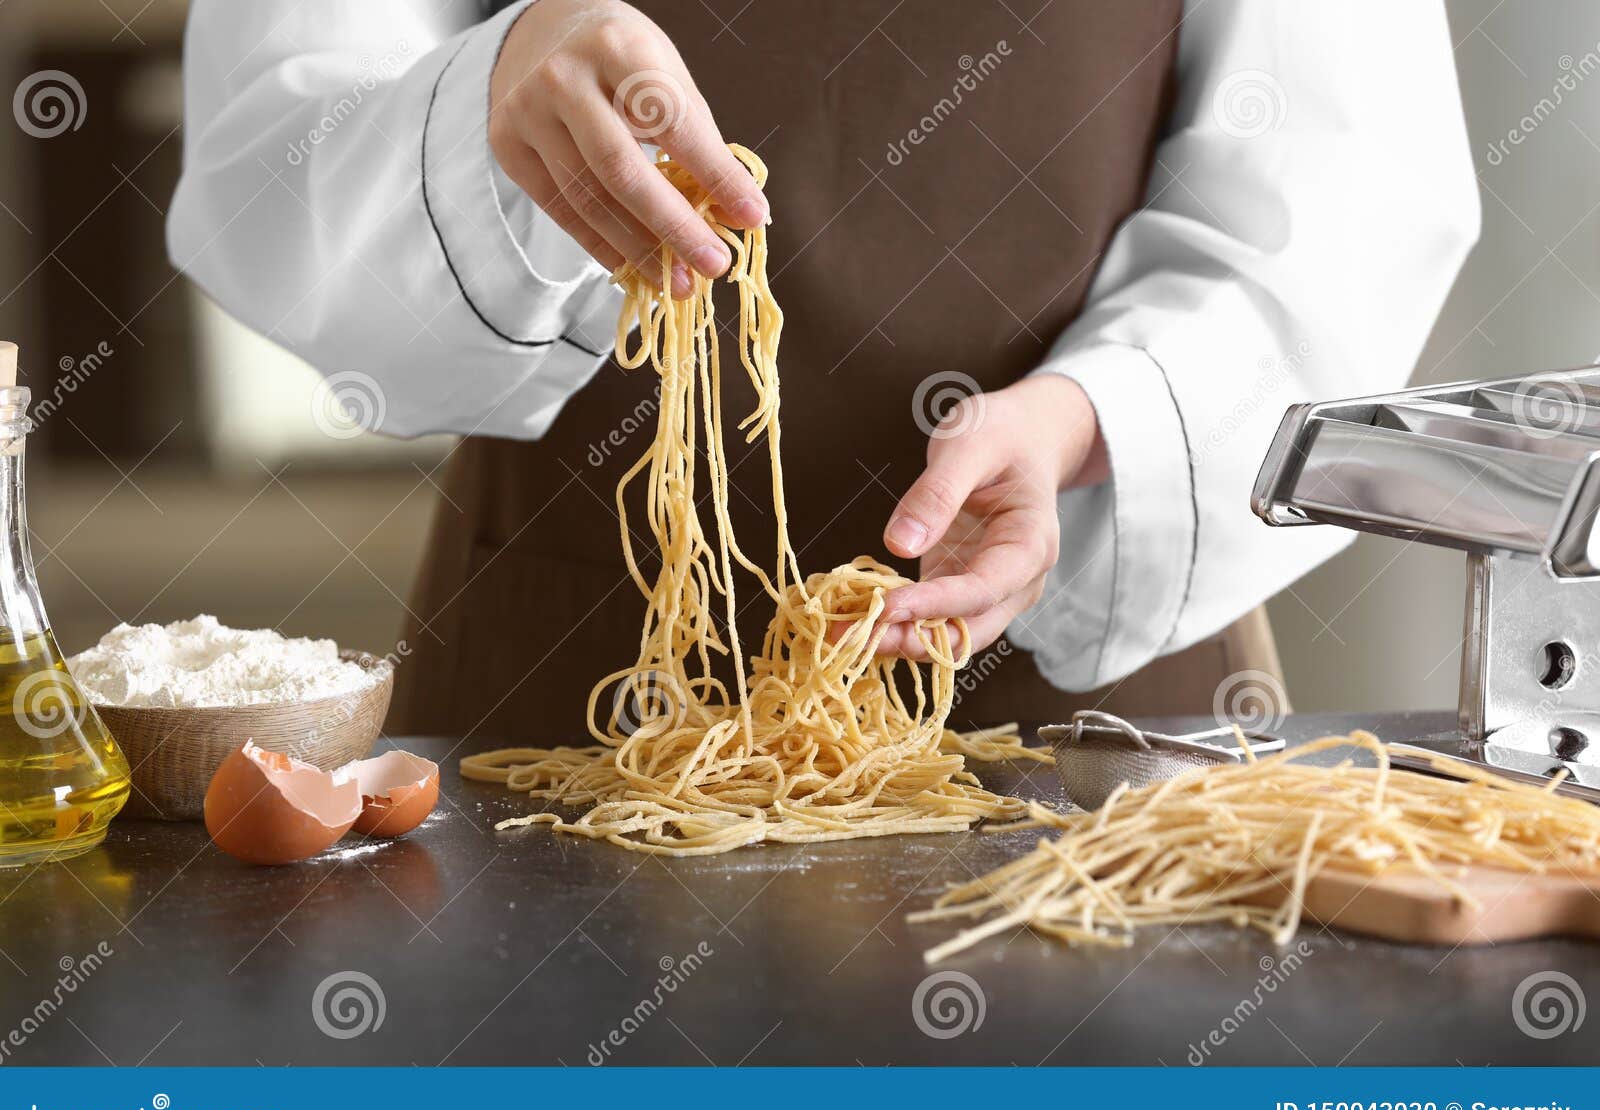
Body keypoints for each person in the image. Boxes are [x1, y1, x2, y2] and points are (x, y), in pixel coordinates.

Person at [169, 0, 1478, 738]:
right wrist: (482, 102)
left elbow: (1352, 188)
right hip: (560, 700)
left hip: (1087, 704)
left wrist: (1094, 420)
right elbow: (268, 152)